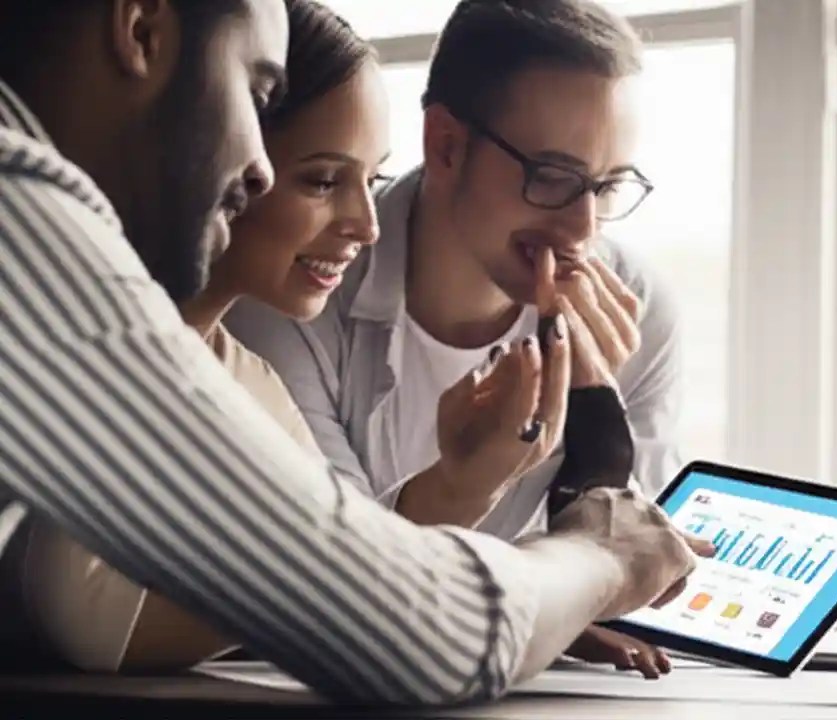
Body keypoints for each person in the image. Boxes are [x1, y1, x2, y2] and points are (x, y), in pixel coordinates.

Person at [0, 0, 697, 703]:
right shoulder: (21, 222)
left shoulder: (237, 370)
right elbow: (420, 630)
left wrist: (474, 493)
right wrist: (598, 557)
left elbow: (336, 573)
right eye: (258, 91)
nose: (257, 165)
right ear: (141, 28)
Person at [227, 0, 686, 677]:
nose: (585, 227)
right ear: (445, 146)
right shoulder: (299, 280)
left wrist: (597, 427)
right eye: (553, 178)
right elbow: (342, 591)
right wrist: (554, 586)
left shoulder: (635, 306)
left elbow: (634, 570)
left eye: (609, 185)